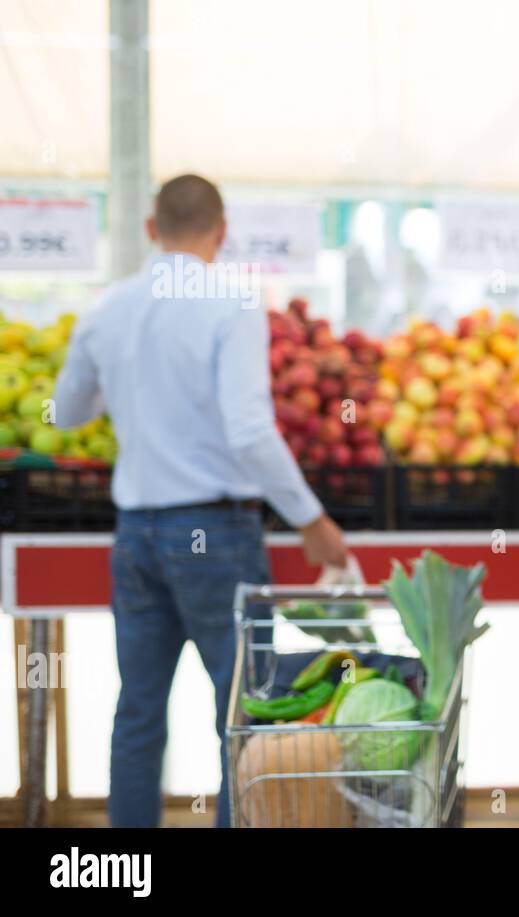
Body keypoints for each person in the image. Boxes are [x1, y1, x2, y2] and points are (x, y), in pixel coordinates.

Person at [52, 174, 350, 827]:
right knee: (243, 709)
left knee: (137, 709)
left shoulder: (106, 308)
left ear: (150, 229)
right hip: (216, 534)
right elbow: (248, 429)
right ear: (221, 231)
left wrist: (130, 388)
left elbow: (67, 412)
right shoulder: (231, 301)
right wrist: (311, 518)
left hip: (136, 534)